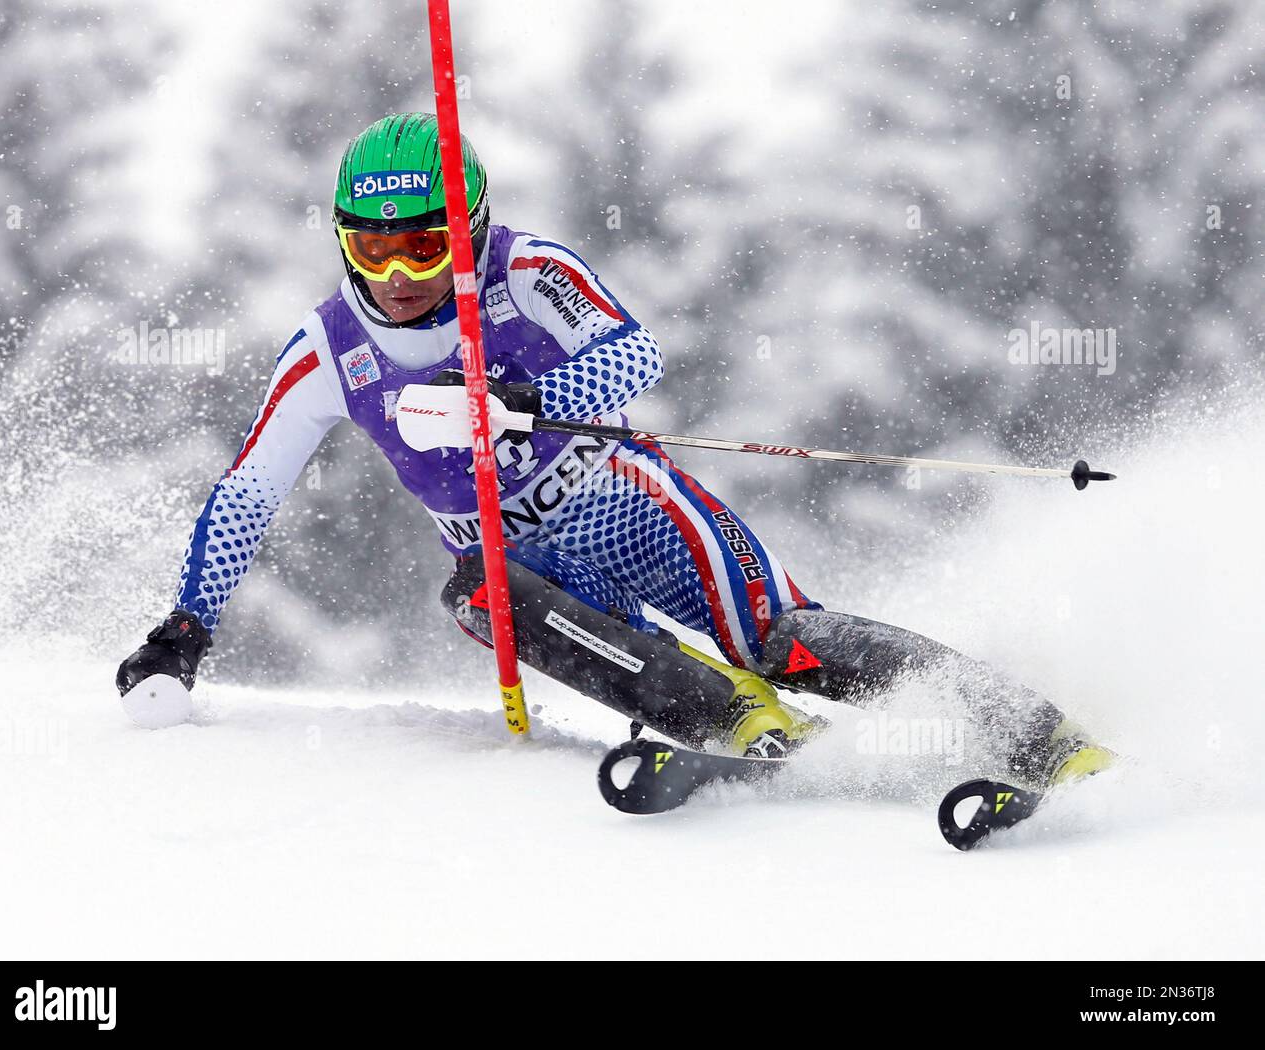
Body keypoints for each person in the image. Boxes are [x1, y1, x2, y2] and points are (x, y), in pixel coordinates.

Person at [117, 112, 1110, 786]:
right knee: (475, 593)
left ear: (472, 232)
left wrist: (530, 397)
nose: (400, 273)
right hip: (524, 559)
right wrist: (186, 627)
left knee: (777, 638)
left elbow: (634, 349)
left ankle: (1031, 733)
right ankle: (729, 721)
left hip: (625, 497)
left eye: (426, 246)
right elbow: (249, 492)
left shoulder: (527, 271)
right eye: (371, 248)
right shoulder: (327, 350)